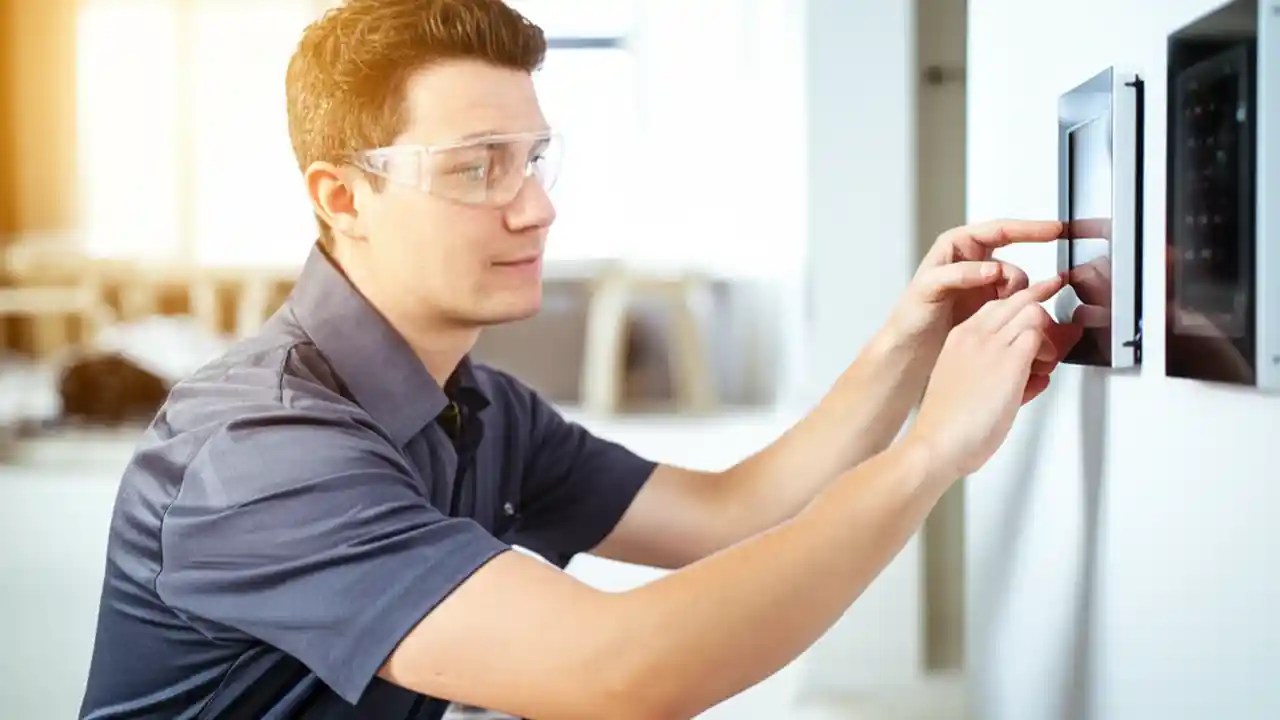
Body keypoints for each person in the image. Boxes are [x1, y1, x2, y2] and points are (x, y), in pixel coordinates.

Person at [79, 1, 1082, 718]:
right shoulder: (259, 451)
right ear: (343, 198)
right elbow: (623, 675)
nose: (536, 207)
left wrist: (906, 349)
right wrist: (931, 452)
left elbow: (731, 515)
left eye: (532, 158)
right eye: (477, 166)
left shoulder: (476, 406)